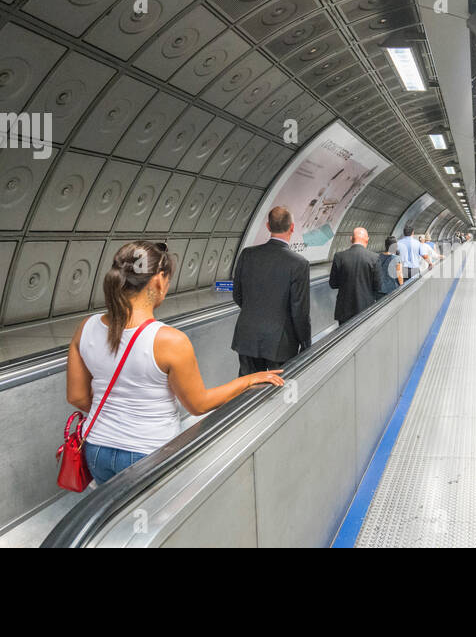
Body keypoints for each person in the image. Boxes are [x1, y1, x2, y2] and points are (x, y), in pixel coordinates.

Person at [67, 241, 284, 483]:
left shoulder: (86, 328)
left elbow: (77, 397)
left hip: (96, 449)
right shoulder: (170, 340)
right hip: (148, 453)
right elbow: (198, 404)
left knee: (111, 518)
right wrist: (249, 380)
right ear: (159, 280)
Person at [231, 206, 312, 376]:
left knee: (247, 391)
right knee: (281, 393)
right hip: (281, 341)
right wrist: (305, 342)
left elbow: (237, 295)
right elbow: (299, 310)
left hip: (247, 337)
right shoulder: (299, 263)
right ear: (292, 228)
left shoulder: (247, 255)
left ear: (268, 227)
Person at [328, 227, 381, 325]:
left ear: (351, 239)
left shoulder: (339, 257)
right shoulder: (374, 258)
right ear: (367, 239)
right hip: (366, 308)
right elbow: (378, 286)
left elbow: (333, 284)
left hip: (344, 309)